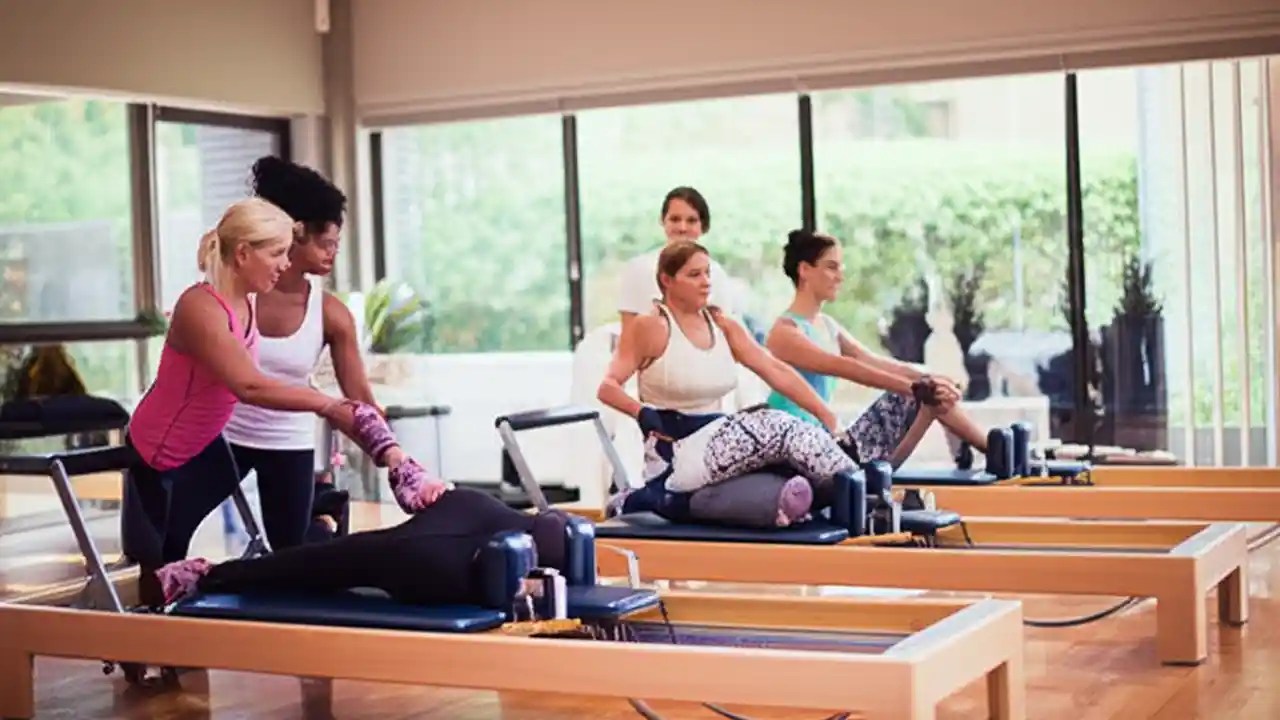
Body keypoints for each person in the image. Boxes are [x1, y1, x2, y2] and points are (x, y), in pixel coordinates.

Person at [123, 198, 448, 607]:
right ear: (243, 254)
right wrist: (324, 405)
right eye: (276, 253)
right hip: (159, 456)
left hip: (204, 447)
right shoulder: (199, 307)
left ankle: (177, 647)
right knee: (158, 573)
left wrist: (387, 448)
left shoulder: (248, 301)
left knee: (204, 565)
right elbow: (250, 387)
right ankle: (143, 656)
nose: (283, 264)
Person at [598, 241, 862, 528]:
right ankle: (858, 480)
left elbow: (775, 370)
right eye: (694, 275)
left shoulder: (724, 325)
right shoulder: (651, 327)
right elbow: (608, 387)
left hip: (717, 443)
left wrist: (830, 420)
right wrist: (645, 414)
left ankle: (857, 479)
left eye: (708, 273)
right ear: (667, 280)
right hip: (677, 453)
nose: (706, 282)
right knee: (777, 426)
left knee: (796, 471)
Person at [220, 156, 376, 552]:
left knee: (292, 553)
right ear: (298, 233)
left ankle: (321, 522)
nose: (332, 254)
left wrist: (397, 458)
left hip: (287, 443)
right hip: (223, 437)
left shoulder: (331, 314)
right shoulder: (229, 298)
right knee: (170, 530)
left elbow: (360, 402)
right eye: (327, 244)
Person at [764, 229, 991, 468]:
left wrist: (928, 377)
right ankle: (991, 450)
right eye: (831, 267)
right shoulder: (784, 332)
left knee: (931, 390)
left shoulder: (828, 326)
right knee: (926, 395)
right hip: (797, 447)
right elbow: (845, 367)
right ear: (804, 270)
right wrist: (915, 388)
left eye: (840, 268)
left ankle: (983, 452)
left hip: (827, 440)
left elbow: (871, 360)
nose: (840, 276)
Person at [151, 488, 572, 608]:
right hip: (429, 558)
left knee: (332, 560)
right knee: (332, 561)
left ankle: (210, 574)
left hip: (434, 546)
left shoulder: (480, 508)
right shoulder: (528, 541)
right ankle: (208, 575)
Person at [616, 186, 737, 332]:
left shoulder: (716, 274)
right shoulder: (638, 269)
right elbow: (628, 333)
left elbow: (724, 332)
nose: (682, 228)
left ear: (703, 226)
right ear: (663, 221)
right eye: (675, 219)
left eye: (691, 221)